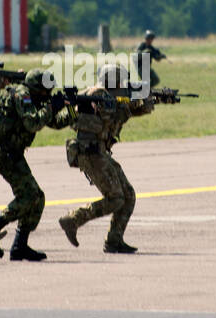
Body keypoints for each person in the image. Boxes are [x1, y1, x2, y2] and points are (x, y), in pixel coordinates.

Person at [0, 69, 73, 261]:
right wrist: (52, 107)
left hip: (12, 152)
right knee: (29, 196)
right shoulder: (22, 95)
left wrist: (71, 107)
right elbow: (33, 123)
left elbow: (56, 122)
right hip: (3, 152)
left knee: (37, 197)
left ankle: (20, 246)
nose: (48, 95)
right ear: (37, 89)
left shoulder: (36, 98)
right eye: (46, 92)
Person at [57, 64, 154, 254]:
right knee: (115, 198)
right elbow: (116, 116)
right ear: (115, 81)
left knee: (128, 195)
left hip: (99, 152)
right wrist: (132, 103)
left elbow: (123, 111)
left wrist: (145, 104)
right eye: (121, 81)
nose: (123, 85)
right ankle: (73, 219)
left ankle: (114, 240)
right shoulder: (100, 95)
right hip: (91, 153)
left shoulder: (102, 96)